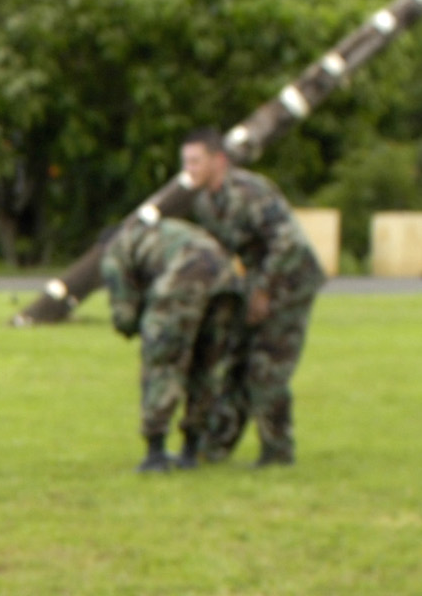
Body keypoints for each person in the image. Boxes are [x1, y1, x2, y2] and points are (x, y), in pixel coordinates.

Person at [178, 128, 326, 467]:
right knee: (236, 363)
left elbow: (286, 242)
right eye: (185, 162)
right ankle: (215, 448)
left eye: (196, 161)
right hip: (256, 281)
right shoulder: (204, 203)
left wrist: (263, 291)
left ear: (218, 161)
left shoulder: (250, 192)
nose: (189, 169)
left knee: (266, 368)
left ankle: (278, 452)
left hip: (290, 281)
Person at [101, 215, 243, 474]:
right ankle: (191, 450)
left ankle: (155, 453)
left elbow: (124, 317)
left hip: (183, 277)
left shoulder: (115, 250)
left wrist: (143, 327)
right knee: (206, 366)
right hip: (226, 278)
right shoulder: (165, 230)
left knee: (162, 365)